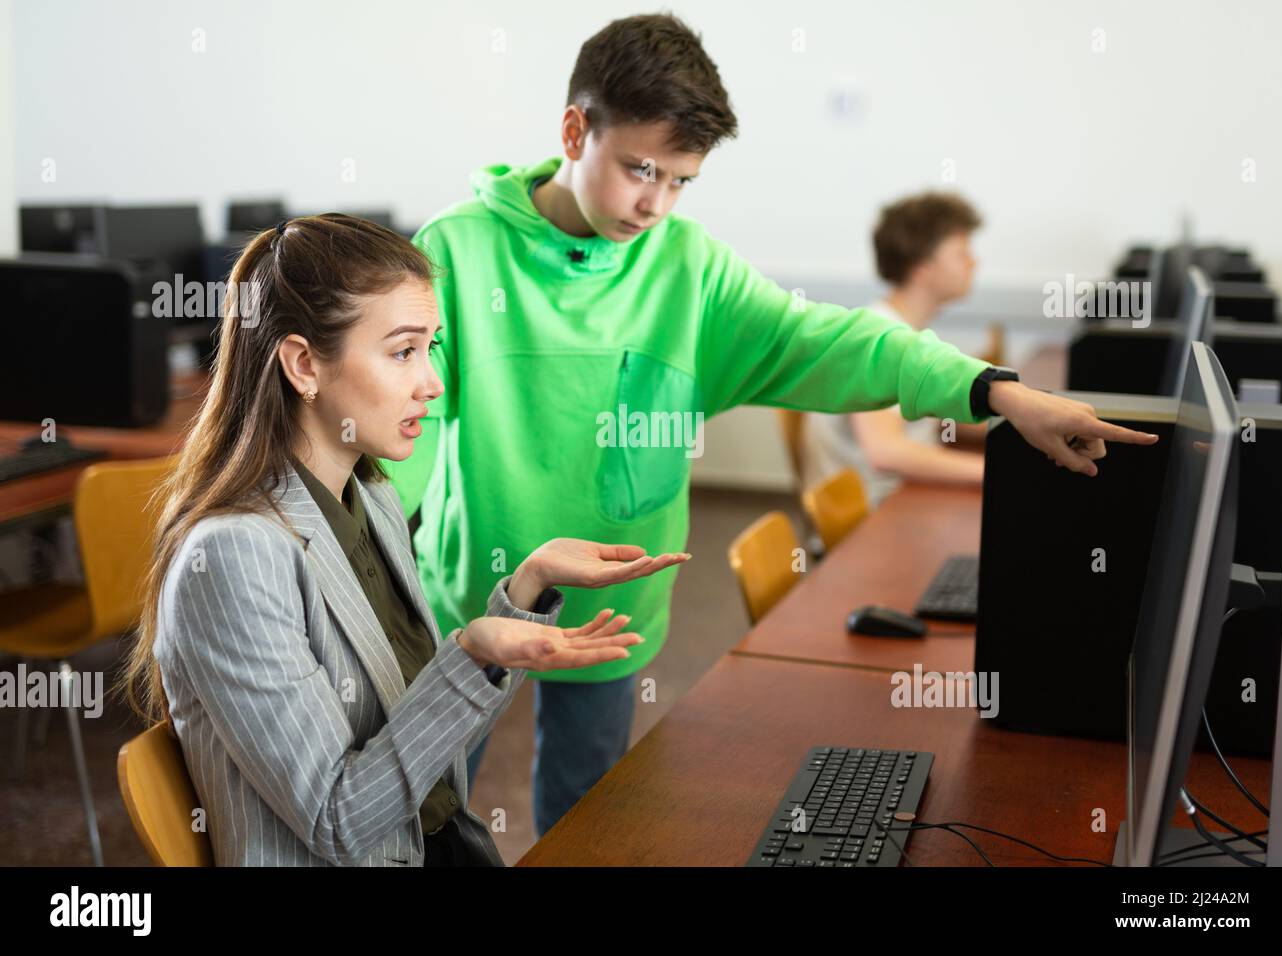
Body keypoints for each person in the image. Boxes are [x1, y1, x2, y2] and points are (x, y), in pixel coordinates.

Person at [384, 13, 1159, 837]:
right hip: (473, 600)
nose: (656, 202)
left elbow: (825, 337)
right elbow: (403, 422)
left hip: (619, 607)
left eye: (680, 180)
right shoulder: (456, 249)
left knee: (585, 820)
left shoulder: (690, 266)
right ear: (575, 130)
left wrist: (988, 388)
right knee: (430, 818)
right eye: (639, 169)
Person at [120, 214, 686, 866]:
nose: (433, 383)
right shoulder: (234, 557)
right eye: (402, 351)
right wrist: (471, 655)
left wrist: (524, 588)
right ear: (304, 364)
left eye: (431, 348)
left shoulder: (373, 498)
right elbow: (338, 822)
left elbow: (420, 743)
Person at [801, 192, 987, 509]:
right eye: (961, 253)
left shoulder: (906, 327)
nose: (974, 261)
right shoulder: (879, 338)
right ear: (921, 268)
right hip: (875, 519)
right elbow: (885, 451)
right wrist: (989, 472)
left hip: (903, 499)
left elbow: (935, 408)